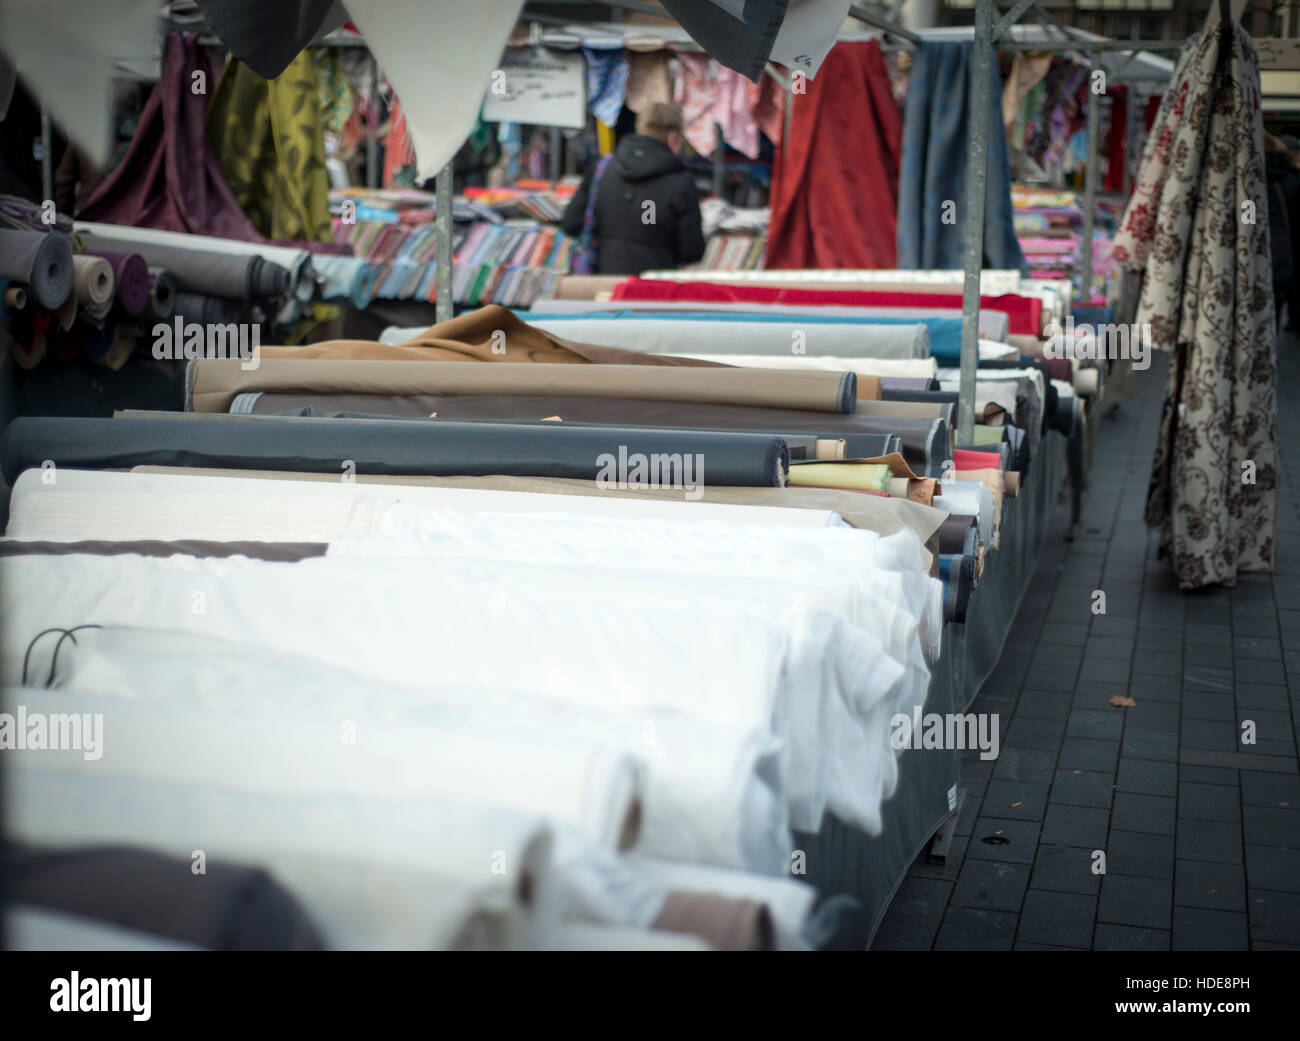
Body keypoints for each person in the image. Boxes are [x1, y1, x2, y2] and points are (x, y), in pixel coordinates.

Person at [561, 102, 705, 275]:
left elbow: (571, 224)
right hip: (655, 286)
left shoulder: (603, 169)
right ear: (673, 138)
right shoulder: (681, 182)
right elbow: (691, 251)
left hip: (603, 282)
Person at [1264, 133, 1299, 332]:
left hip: (1263, 253)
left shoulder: (1254, 186)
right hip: (1287, 252)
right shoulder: (1292, 181)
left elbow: (1247, 220)